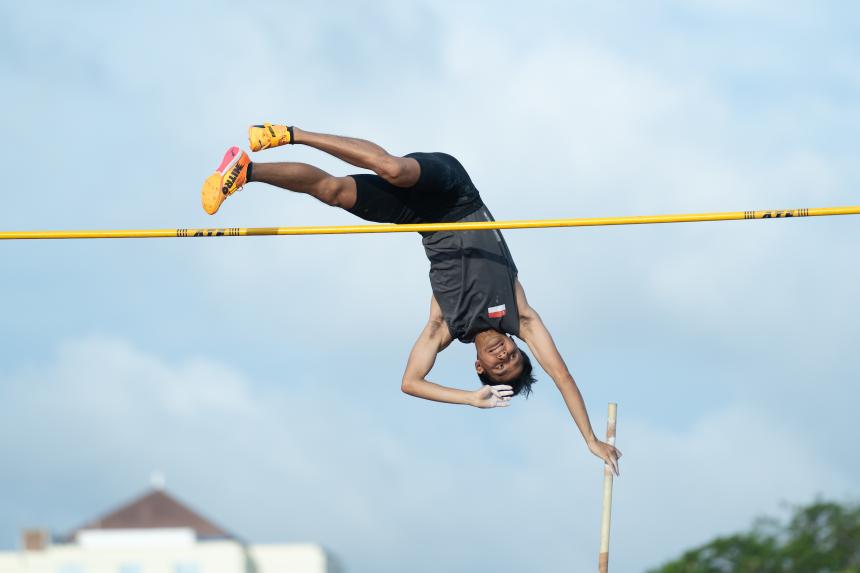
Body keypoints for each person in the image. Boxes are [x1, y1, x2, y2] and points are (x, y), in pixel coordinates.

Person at [200, 124, 621, 474]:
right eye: (513, 356)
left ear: (480, 367)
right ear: (515, 343)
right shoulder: (520, 316)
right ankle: (288, 133)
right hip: (456, 193)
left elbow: (410, 383)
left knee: (331, 191)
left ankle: (245, 171)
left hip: (422, 219)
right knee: (392, 168)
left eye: (498, 367)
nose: (504, 356)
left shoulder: (442, 326)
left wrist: (471, 399)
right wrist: (589, 438)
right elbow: (561, 375)